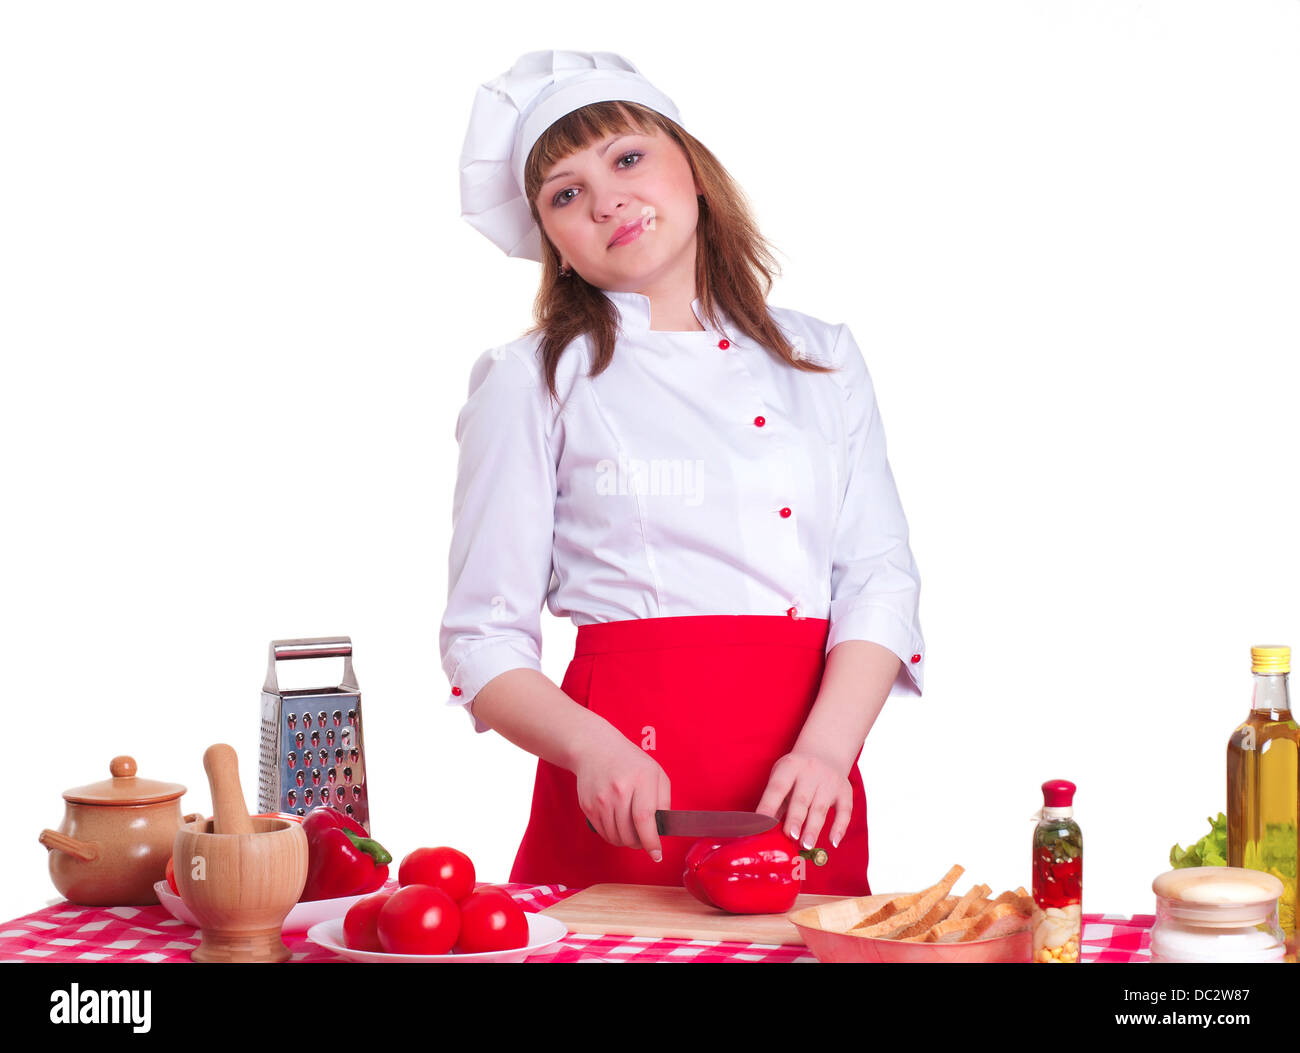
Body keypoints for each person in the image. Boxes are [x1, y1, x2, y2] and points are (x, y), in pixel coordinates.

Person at [442, 50, 924, 895]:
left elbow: (880, 578)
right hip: (625, 792)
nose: (608, 200)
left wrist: (826, 750)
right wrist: (593, 747)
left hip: (804, 787)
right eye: (565, 192)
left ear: (692, 169)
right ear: (551, 239)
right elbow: (481, 640)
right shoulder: (531, 381)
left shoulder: (823, 357)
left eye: (627, 157)